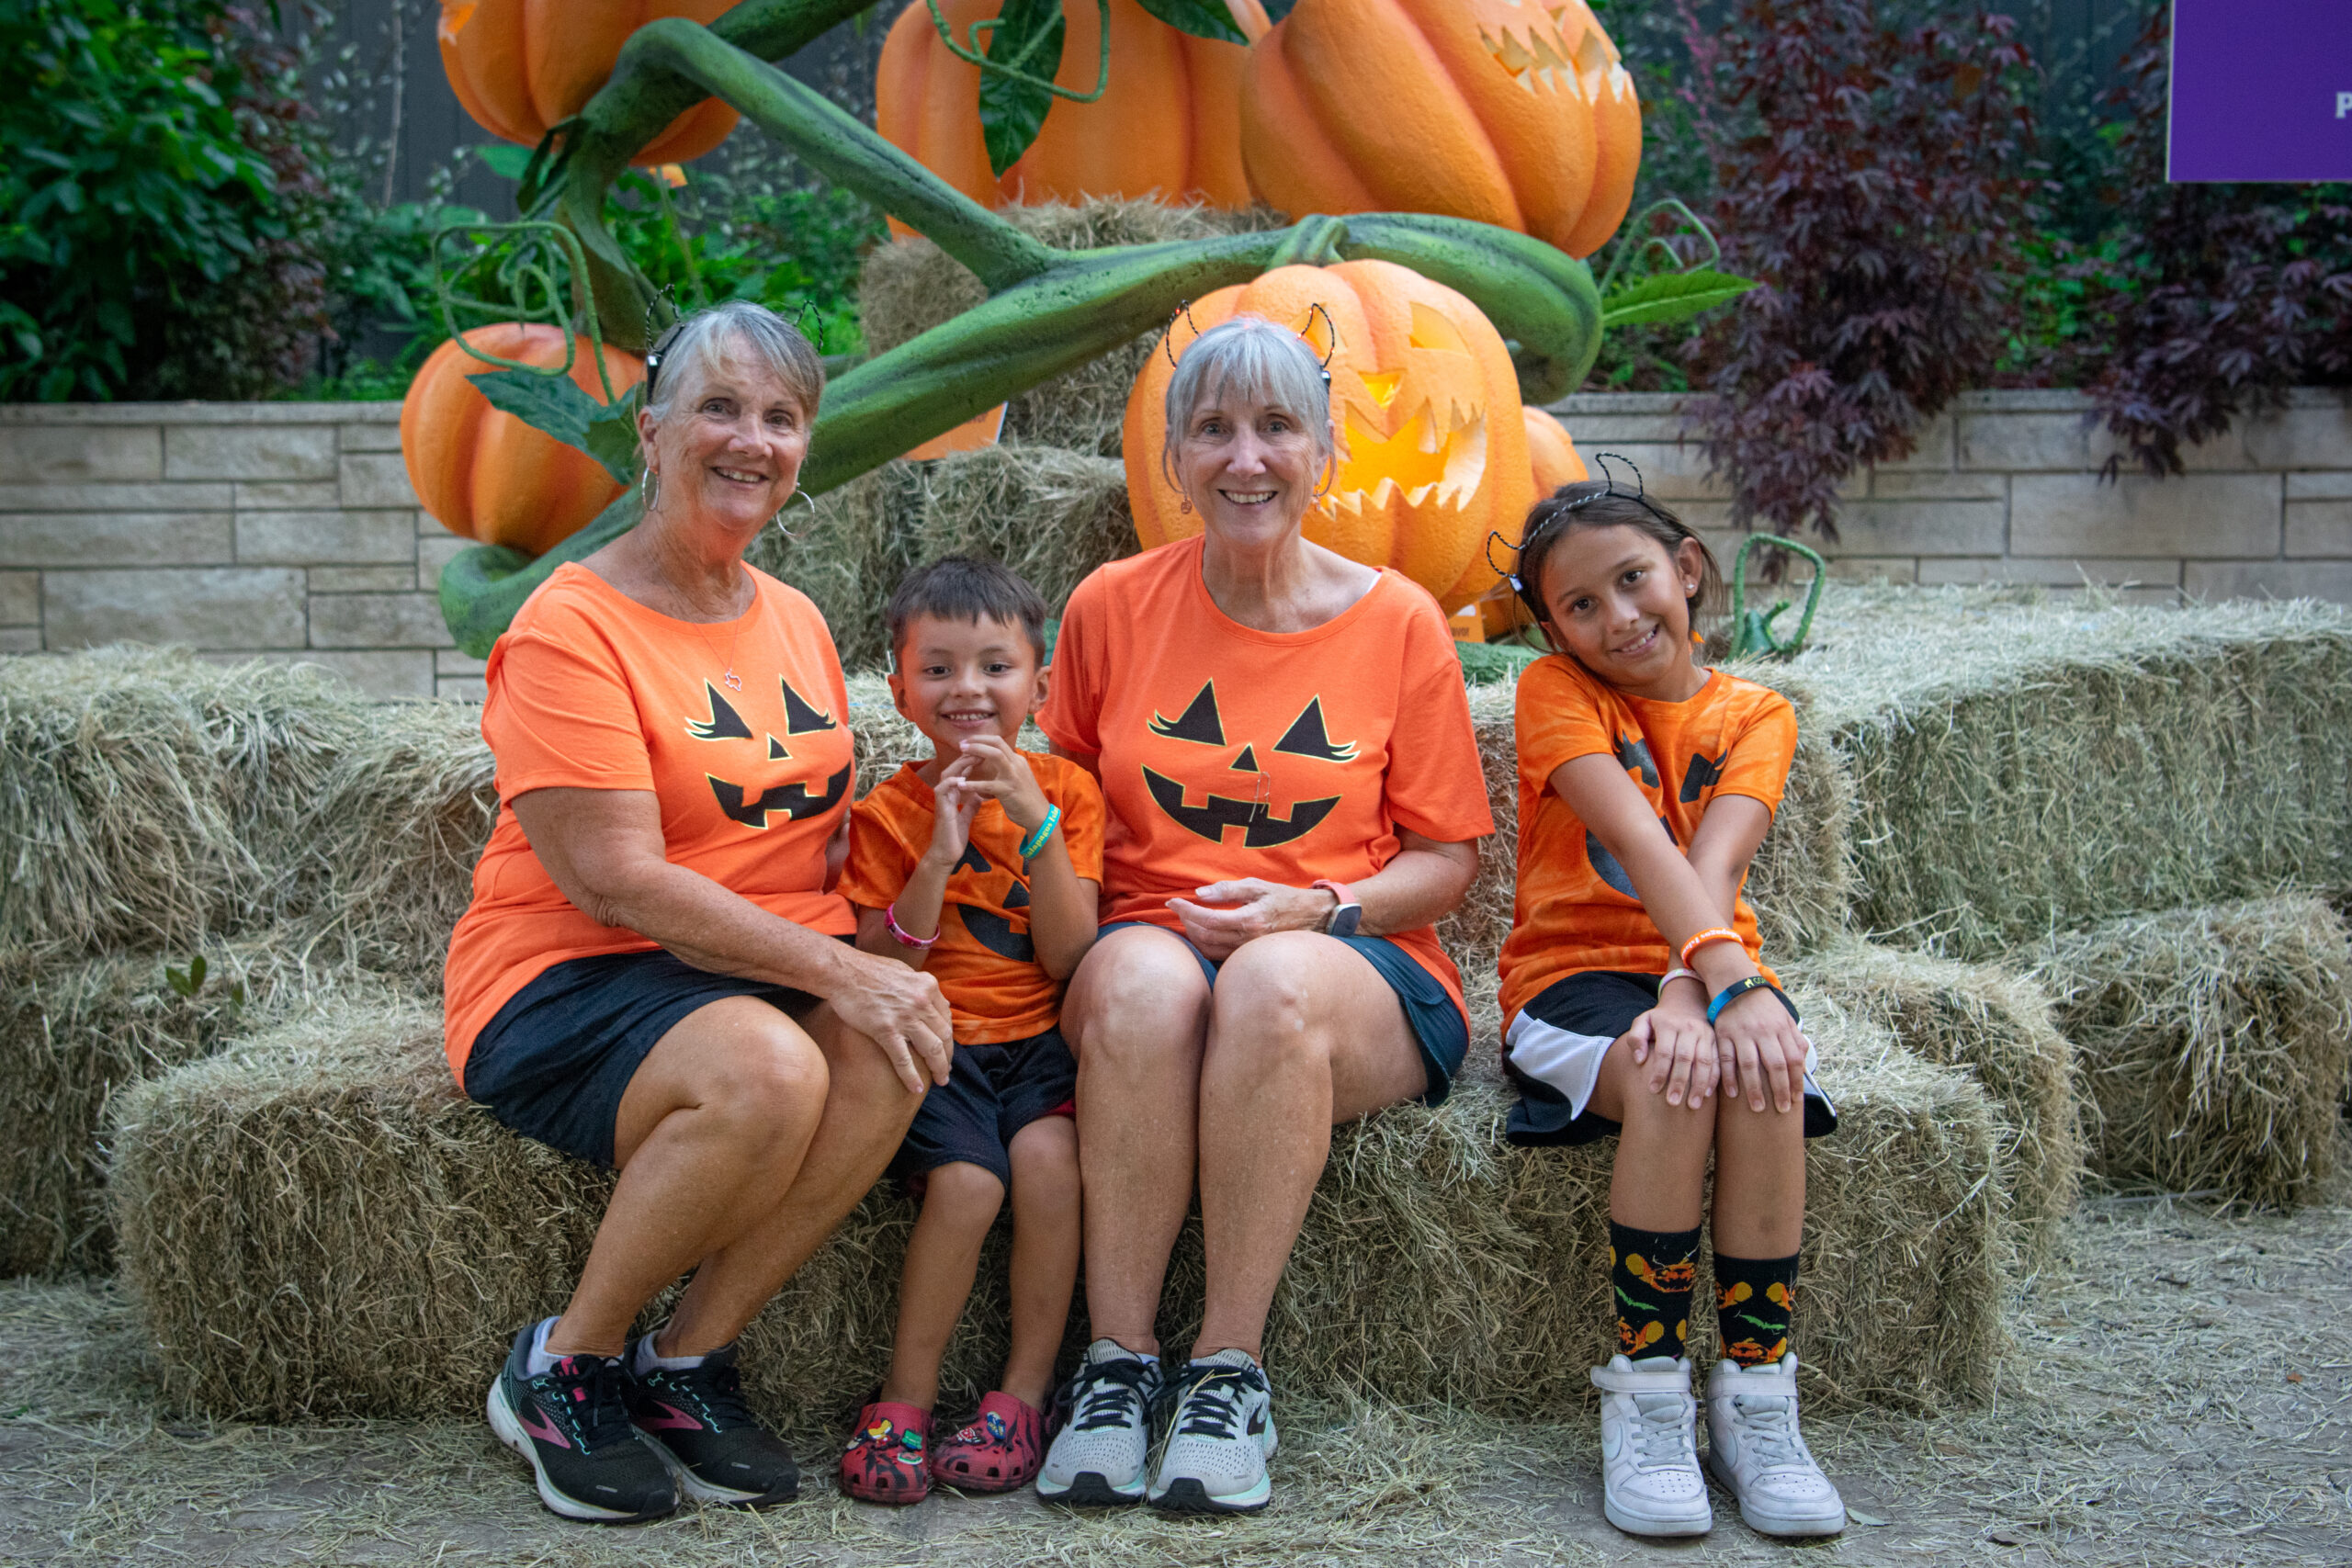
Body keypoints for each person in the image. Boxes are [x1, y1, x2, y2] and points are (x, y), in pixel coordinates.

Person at [441, 299, 953, 1525]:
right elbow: (618, 879)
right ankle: (565, 1363)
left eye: (781, 417)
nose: (751, 439)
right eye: (720, 406)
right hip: (573, 970)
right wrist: (840, 973)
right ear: (652, 426)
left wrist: (892, 941)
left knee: (888, 1054)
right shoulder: (572, 624)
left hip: (743, 962)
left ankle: (684, 1362)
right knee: (772, 1067)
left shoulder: (797, 619)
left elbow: (811, 848)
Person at [1034, 312, 1494, 1516]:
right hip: (1147, 945)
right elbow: (1059, 806)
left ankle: (1228, 1372)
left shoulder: (1399, 622)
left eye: (1277, 425)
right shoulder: (1108, 608)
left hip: (1356, 959)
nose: (1247, 456)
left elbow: (1447, 859)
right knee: (1151, 986)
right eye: (1216, 429)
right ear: (1175, 459)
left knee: (1267, 981)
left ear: (1326, 449)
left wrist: (1317, 902)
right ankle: (1118, 1364)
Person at [1493, 474, 1845, 1540]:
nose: (1617, 618)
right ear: (1552, 628)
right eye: (1581, 606)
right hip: (1574, 976)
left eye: (1632, 580)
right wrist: (1699, 991)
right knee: (1668, 1072)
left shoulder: (1758, 713)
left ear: (1686, 568)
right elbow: (1640, 845)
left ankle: (1757, 1394)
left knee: (1764, 1068)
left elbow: (1713, 861)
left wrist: (1704, 987)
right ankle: (1647, 1389)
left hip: (1708, 951)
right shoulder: (1555, 693)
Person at [832, 557, 1103, 1504]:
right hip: (938, 1044)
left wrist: (1034, 828)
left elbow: (1071, 956)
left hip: (1037, 1047)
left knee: (1049, 1166)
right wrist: (939, 856)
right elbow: (887, 967)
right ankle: (902, 1404)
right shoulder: (888, 812)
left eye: (995, 665)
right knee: (964, 1185)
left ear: (1039, 681)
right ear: (899, 686)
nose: (968, 689)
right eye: (938, 668)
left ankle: (1020, 1399)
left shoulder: (1069, 791)